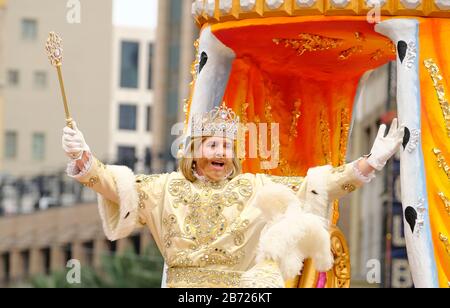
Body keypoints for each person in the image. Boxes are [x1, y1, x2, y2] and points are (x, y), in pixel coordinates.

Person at [62, 103, 405, 288]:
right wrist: (83, 158)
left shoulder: (254, 188)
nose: (222, 152)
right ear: (195, 152)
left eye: (227, 146)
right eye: (214, 144)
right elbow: (112, 184)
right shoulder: (163, 188)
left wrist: (369, 163)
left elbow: (316, 184)